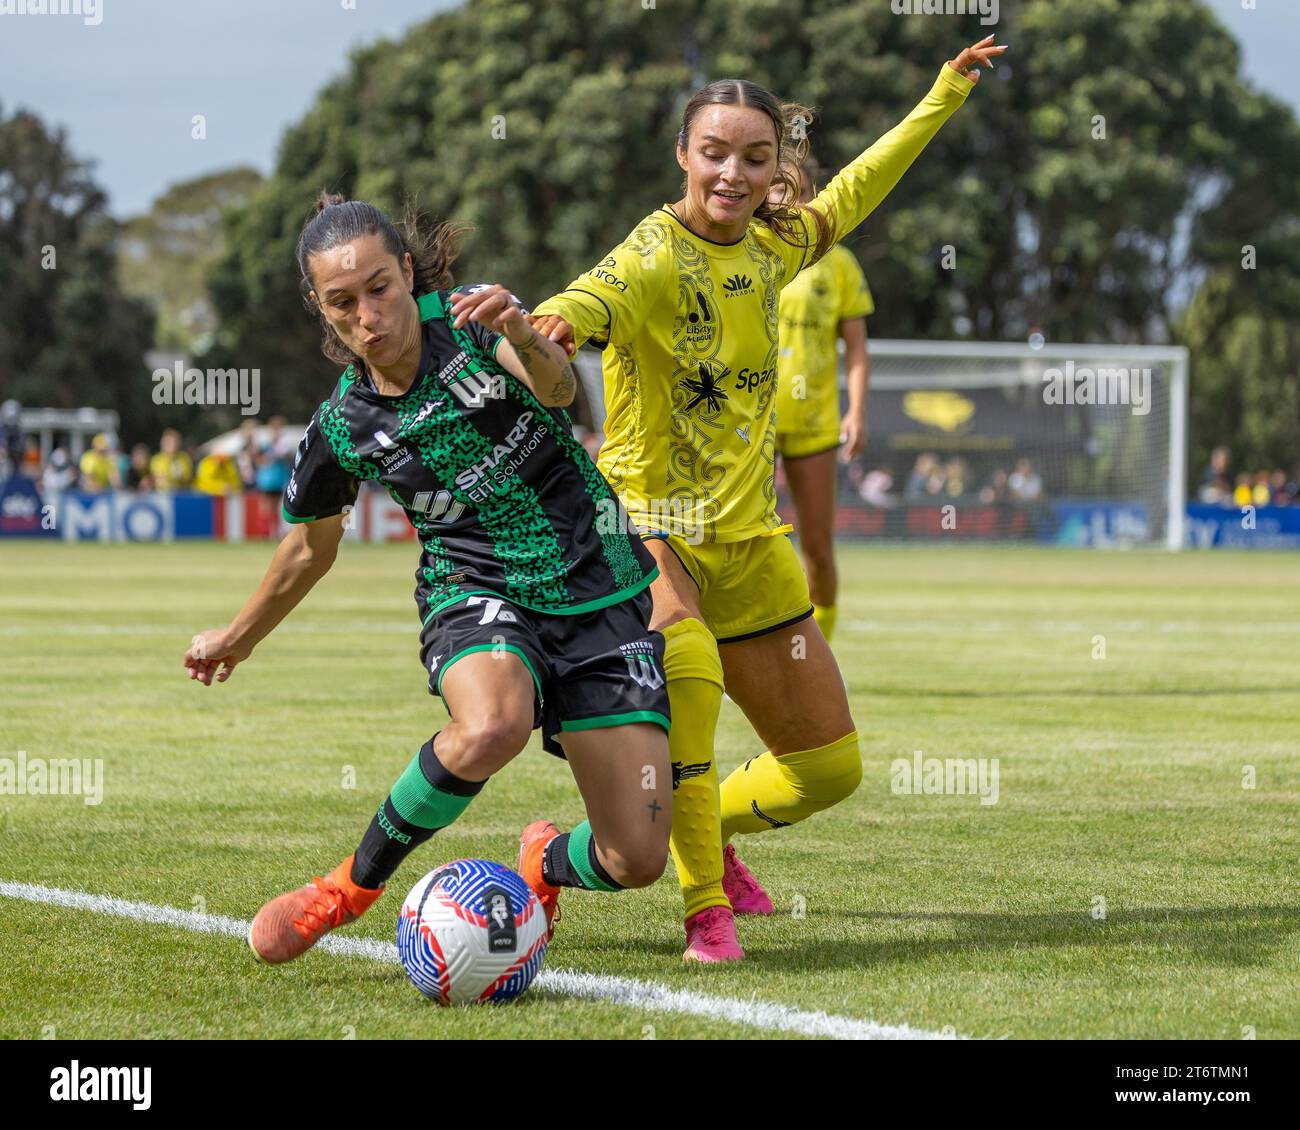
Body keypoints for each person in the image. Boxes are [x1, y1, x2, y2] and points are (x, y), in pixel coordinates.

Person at [530, 36, 1004, 960]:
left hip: (748, 539)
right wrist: (544, 328)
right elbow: (575, 315)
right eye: (715, 152)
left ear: (775, 167)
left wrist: (944, 91)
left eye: (756, 157)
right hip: (645, 530)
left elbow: (859, 187)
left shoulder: (779, 246)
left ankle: (604, 848)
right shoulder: (649, 256)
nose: (733, 173)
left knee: (829, 769)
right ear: (683, 153)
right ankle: (705, 907)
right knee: (692, 675)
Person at [185, 195, 672, 965]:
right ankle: (346, 890)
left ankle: (542, 859)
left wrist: (518, 326)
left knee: (636, 859)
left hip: (598, 584)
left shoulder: (477, 320)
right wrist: (235, 638)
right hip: (474, 587)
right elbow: (309, 550)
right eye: (342, 302)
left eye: (380, 287)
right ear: (321, 309)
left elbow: (558, 390)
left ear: (407, 272)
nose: (368, 314)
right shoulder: (343, 426)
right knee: (491, 725)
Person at [769, 158, 873, 644]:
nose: (790, 201)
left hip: (814, 422)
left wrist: (856, 410)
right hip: (751, 423)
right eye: (779, 191)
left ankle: (822, 659)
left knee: (817, 547)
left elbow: (855, 348)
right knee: (736, 546)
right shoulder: (743, 252)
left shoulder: (840, 263)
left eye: (801, 191)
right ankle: (730, 659)